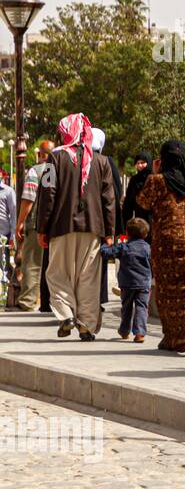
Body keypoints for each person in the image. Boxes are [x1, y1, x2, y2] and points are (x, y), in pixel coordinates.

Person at [36, 113, 116, 339]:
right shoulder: (102, 162)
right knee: (88, 276)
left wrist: (42, 228)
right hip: (93, 229)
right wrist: (109, 232)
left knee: (56, 274)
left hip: (61, 227)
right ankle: (87, 326)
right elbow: (108, 201)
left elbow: (47, 195)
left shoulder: (54, 158)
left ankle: (66, 315)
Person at [135, 140, 185, 355]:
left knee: (168, 292)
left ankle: (172, 337)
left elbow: (142, 202)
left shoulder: (157, 182)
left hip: (166, 245)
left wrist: (153, 173)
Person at [13, 140, 53, 312]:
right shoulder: (57, 170)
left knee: (32, 264)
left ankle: (28, 301)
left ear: (40, 155)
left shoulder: (36, 171)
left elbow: (28, 199)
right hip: (56, 226)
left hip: (36, 224)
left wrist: (20, 222)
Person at [102, 217, 152, 343]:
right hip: (144, 283)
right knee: (142, 307)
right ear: (146, 234)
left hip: (127, 284)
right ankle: (140, 333)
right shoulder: (147, 248)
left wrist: (104, 244)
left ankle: (124, 331)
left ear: (127, 233)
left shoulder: (123, 247)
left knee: (126, 308)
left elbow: (107, 253)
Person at [91, 128, 125, 307]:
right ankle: (99, 297)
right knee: (101, 259)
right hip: (103, 220)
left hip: (86, 220)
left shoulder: (80, 160)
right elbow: (115, 193)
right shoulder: (106, 162)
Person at [120, 151, 153, 225]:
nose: (140, 165)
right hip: (140, 221)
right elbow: (129, 201)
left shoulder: (154, 178)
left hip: (154, 219)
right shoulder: (134, 180)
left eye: (142, 163)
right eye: (137, 163)